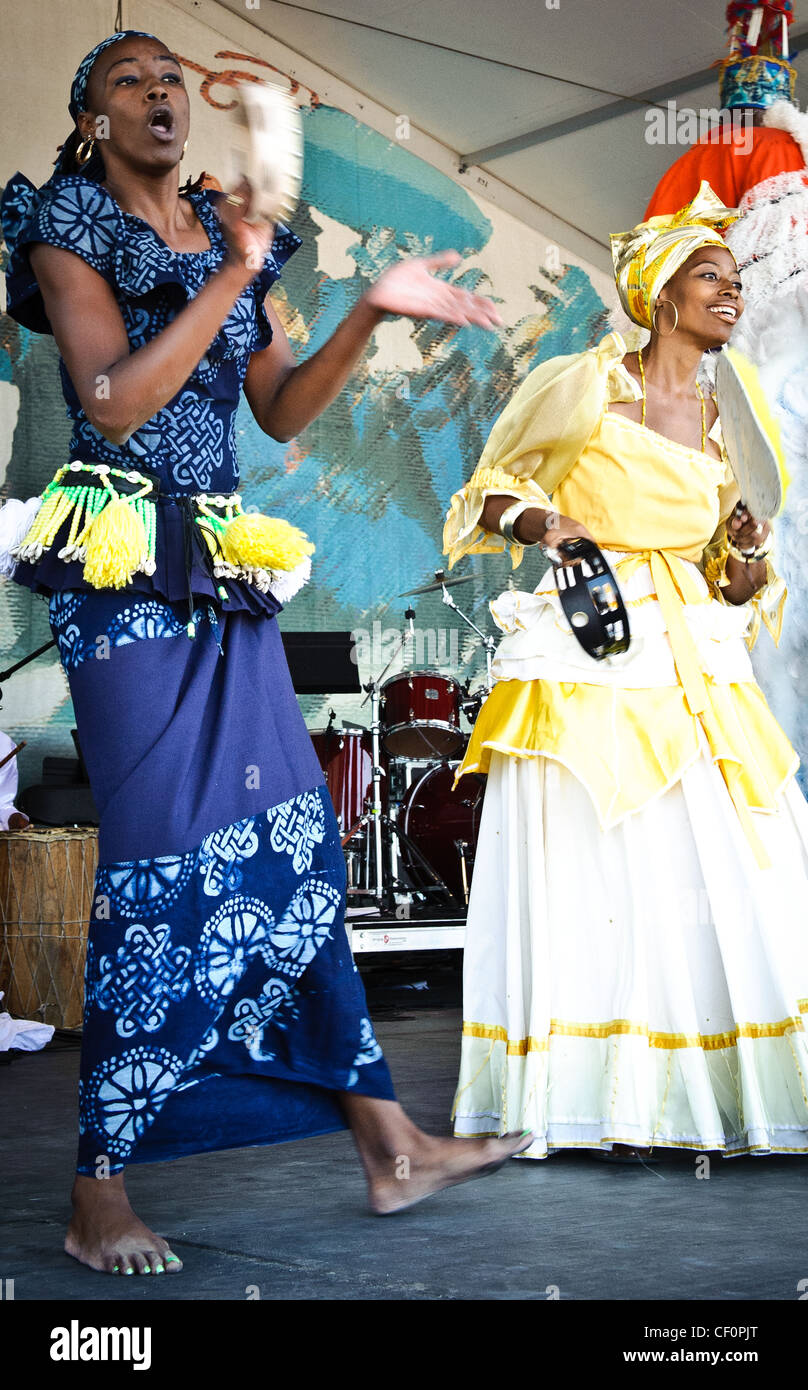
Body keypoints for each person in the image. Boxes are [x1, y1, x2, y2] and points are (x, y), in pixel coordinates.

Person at [0, 29, 532, 1277]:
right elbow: (118, 399)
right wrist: (234, 275)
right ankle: (98, 1189)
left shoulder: (220, 233)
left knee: (295, 847)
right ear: (90, 118)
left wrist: (367, 308)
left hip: (223, 571)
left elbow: (280, 407)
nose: (160, 95)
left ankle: (388, 1142)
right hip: (120, 563)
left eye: (172, 80)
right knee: (164, 864)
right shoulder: (69, 223)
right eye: (130, 81)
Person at [443, 182, 808, 1162]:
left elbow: (733, 583)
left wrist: (740, 552)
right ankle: (600, 1095)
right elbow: (485, 489)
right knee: (603, 858)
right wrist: (543, 521)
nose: (729, 294)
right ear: (658, 292)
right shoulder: (583, 385)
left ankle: (710, 1086)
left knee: (732, 858)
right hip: (590, 649)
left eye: (735, 280)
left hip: (696, 659)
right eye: (708, 276)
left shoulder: (734, 422)